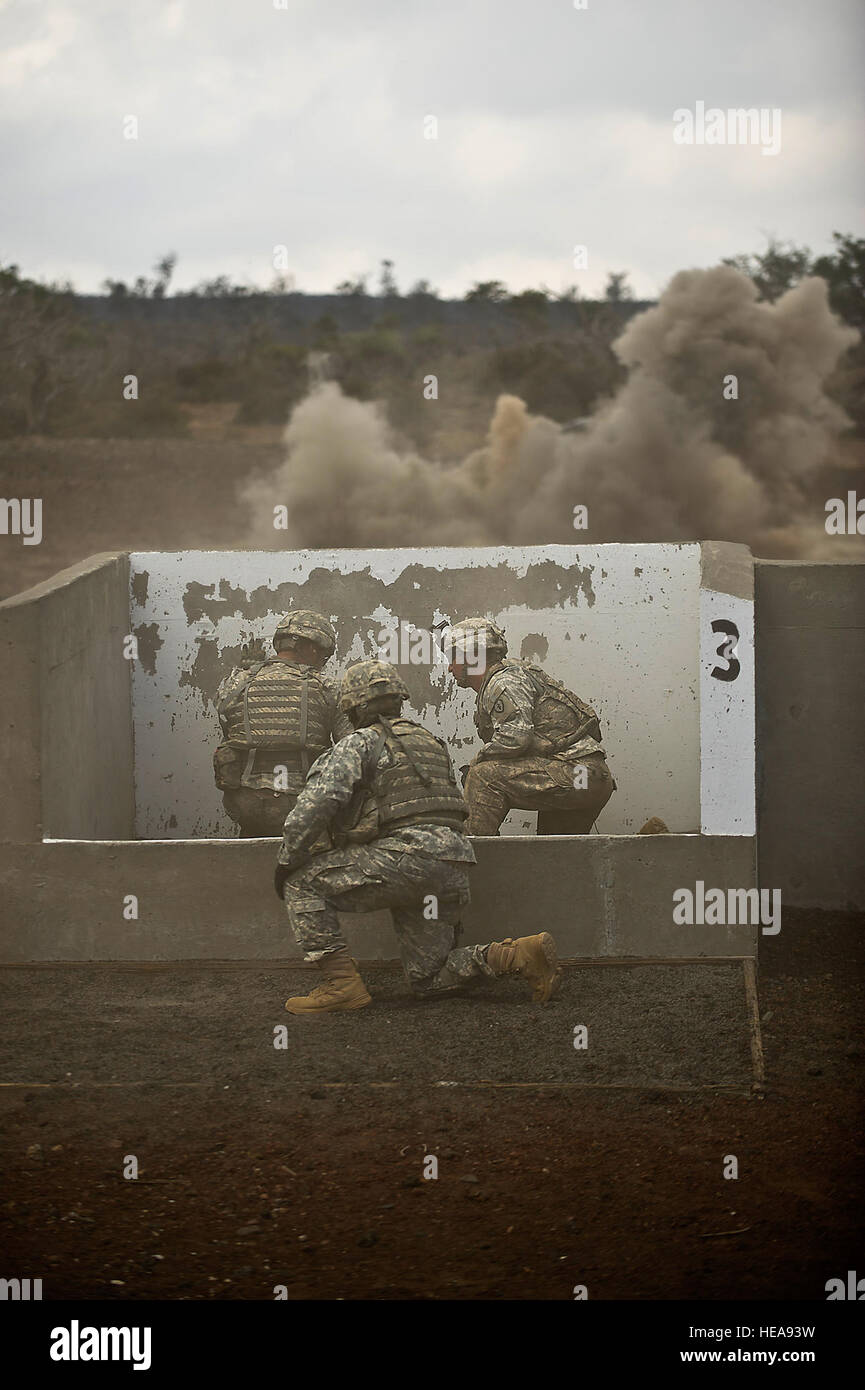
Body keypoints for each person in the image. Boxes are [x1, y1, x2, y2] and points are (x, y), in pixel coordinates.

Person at [273, 660, 561, 1015]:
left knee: (301, 885)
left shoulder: (359, 744)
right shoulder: (431, 743)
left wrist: (288, 860)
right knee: (430, 979)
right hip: (451, 866)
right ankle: (514, 955)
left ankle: (341, 985)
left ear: (353, 705)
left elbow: (314, 807)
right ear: (398, 699)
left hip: (403, 860)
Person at [444, 617, 615, 836]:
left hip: (578, 775)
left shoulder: (503, 682)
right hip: (585, 778)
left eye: (453, 659)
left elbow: (516, 737)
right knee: (555, 862)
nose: (450, 667)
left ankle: (478, 861)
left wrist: (477, 761)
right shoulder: (511, 676)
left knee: (482, 777)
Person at [213, 610, 351, 837]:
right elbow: (349, 749)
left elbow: (229, 732)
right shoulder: (328, 687)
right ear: (312, 648)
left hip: (247, 805)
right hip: (304, 805)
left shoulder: (236, 683)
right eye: (323, 657)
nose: (321, 663)